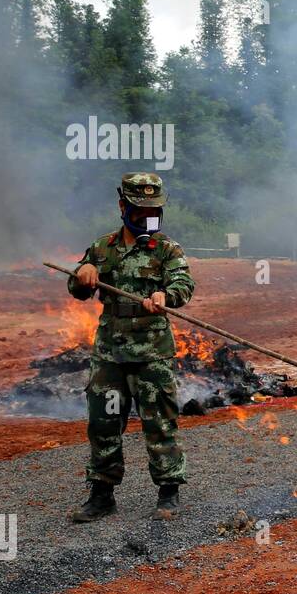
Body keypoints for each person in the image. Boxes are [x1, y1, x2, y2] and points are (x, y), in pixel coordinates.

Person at [67, 172, 195, 523]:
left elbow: (183, 283)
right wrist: (85, 272)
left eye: (154, 210)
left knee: (160, 422)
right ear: (123, 206)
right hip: (111, 354)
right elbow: (76, 290)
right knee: (103, 422)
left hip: (151, 353)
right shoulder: (102, 248)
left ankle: (169, 493)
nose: (148, 217)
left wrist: (165, 295)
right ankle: (102, 494)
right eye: (140, 210)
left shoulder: (167, 249)